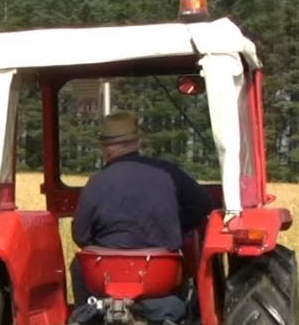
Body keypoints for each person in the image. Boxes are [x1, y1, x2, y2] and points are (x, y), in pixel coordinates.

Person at [71, 110, 216, 305]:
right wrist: (178, 226)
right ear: (138, 143)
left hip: (104, 274)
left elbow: (80, 235)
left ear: (106, 150)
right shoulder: (168, 173)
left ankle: (86, 319)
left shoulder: (96, 182)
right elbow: (205, 205)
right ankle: (183, 320)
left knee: (78, 266)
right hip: (159, 273)